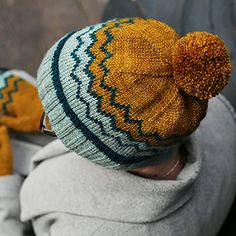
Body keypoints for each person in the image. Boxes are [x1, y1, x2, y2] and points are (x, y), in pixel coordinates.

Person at [0, 17, 236, 236]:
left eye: (53, 121)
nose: (49, 119)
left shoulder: (92, 230)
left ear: (106, 152)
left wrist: (4, 185)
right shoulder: (211, 110)